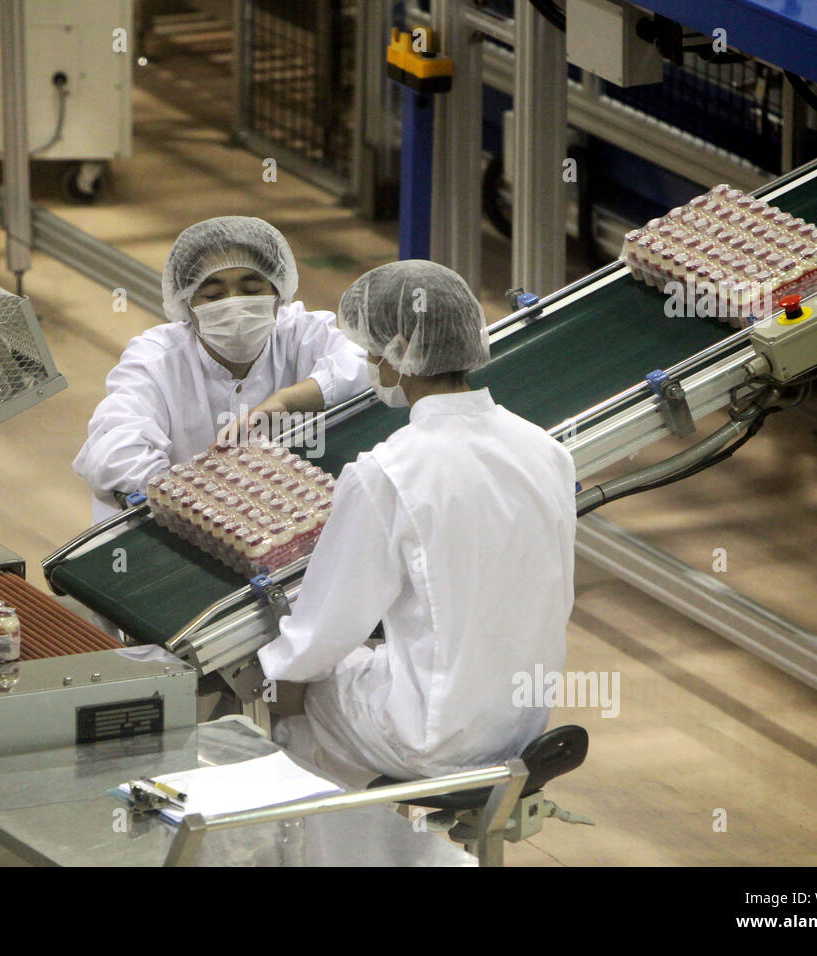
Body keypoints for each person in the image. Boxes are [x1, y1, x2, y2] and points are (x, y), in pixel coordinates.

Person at [257, 260, 577, 787]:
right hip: (523, 729)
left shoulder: (388, 472)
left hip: (431, 746)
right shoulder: (546, 450)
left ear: (399, 352)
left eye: (371, 352)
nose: (369, 363)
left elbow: (326, 628)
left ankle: (319, 828)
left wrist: (277, 675)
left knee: (293, 683)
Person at [73, 216, 368, 521]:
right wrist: (195, 502)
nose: (235, 306)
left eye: (252, 290)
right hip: (176, 530)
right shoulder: (156, 359)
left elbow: (368, 362)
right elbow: (114, 450)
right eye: (213, 296)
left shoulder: (301, 334)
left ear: (278, 293)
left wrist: (285, 401)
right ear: (186, 303)